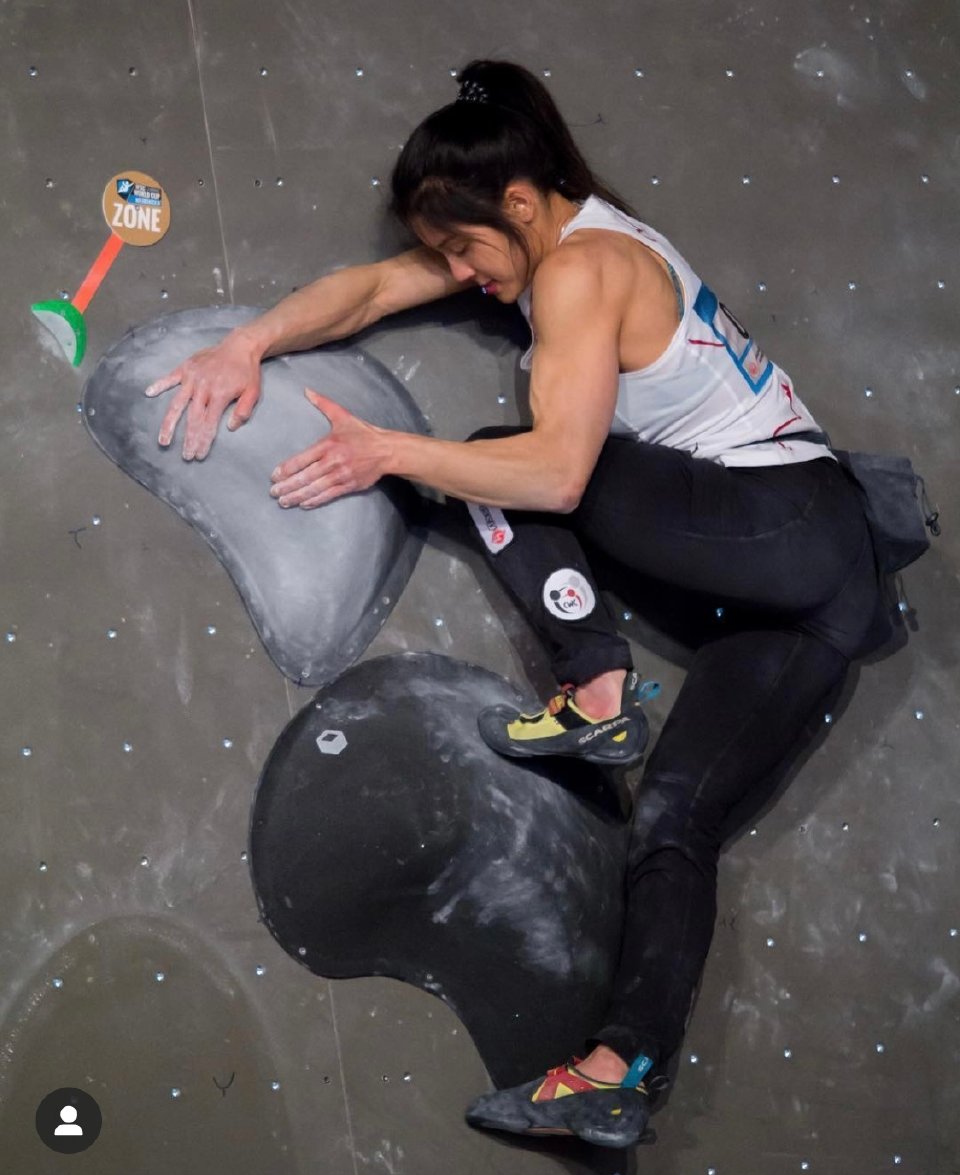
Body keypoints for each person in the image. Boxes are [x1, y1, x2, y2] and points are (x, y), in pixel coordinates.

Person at [146, 60, 891, 1149]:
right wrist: (248, 342)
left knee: (498, 461)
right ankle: (619, 1068)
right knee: (675, 821)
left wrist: (389, 454)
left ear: (523, 204)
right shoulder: (548, 242)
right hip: (816, 597)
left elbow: (558, 480)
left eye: (463, 246)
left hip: (788, 520)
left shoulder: (585, 265)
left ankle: (595, 683)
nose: (454, 272)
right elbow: (368, 289)